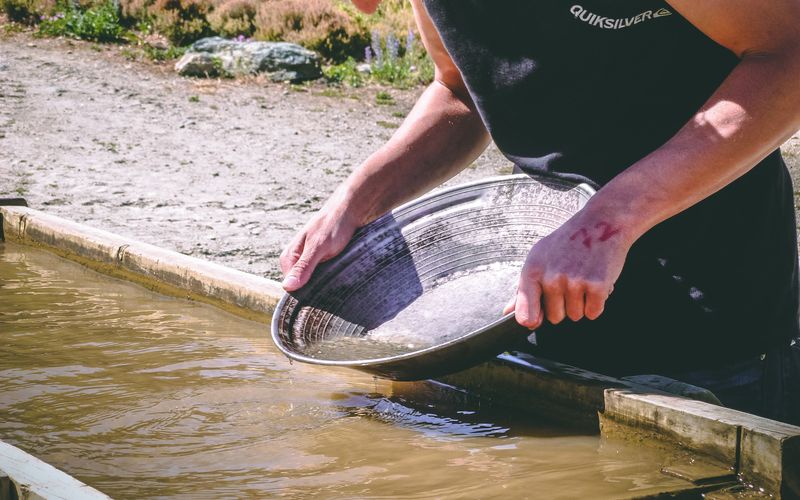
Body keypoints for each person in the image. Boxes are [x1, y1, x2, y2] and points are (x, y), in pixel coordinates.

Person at [280, 0, 800, 424]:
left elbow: (790, 53)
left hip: (712, 313)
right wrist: (357, 199)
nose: (362, 7)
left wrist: (608, 222)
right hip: (533, 303)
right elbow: (459, 89)